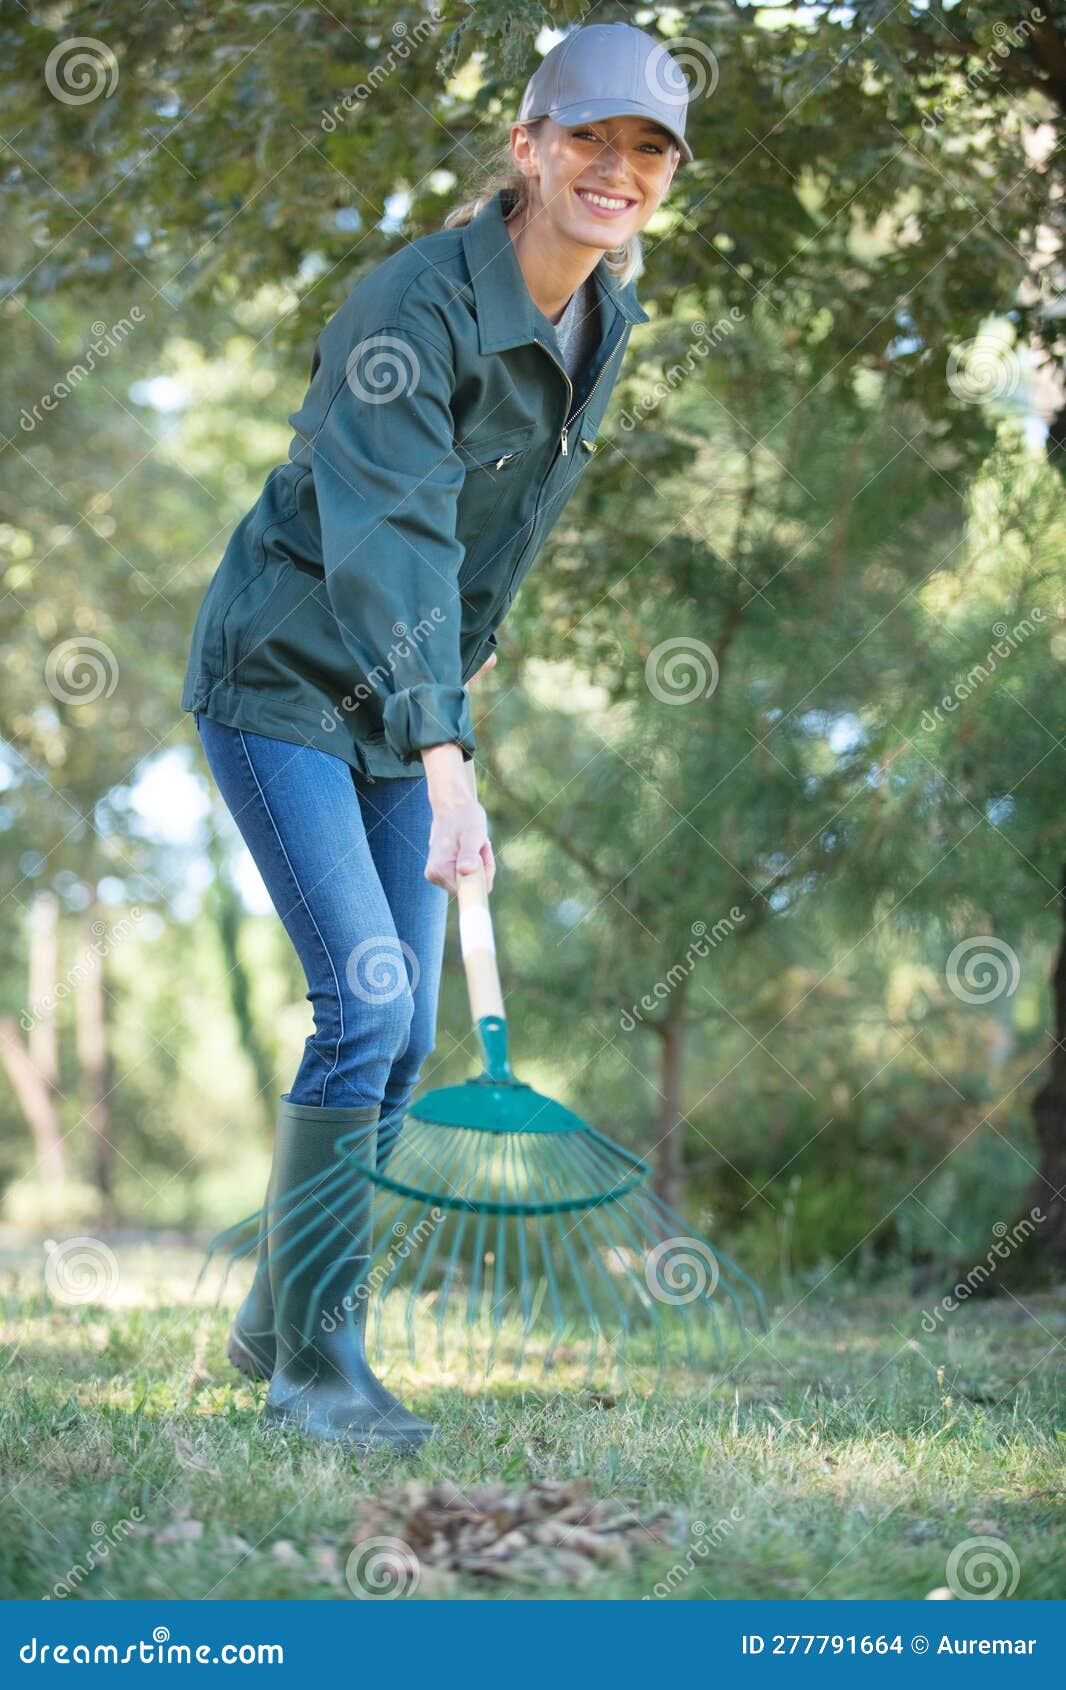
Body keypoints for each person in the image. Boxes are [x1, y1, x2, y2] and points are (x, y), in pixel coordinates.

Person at [182, 21, 693, 1447]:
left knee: (401, 1034)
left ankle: (281, 1316)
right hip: (284, 677)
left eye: (646, 148)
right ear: (526, 147)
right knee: (368, 998)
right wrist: (448, 755)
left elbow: (497, 545)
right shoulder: (410, 308)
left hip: (414, 707)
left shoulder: (606, 317)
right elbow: (394, 539)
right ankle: (317, 1368)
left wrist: (445, 721)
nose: (617, 169)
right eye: (587, 138)